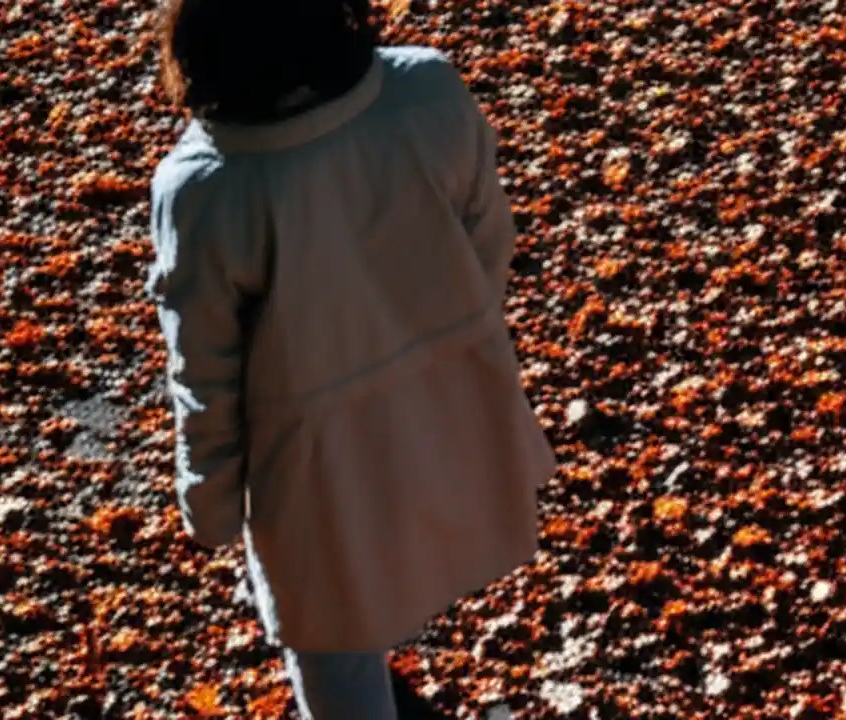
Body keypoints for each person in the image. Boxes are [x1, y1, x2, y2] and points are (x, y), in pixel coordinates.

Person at [146, 1, 557, 717]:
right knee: (400, 560)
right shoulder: (427, 93)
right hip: (446, 405)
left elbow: (206, 374)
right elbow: (487, 241)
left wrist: (209, 498)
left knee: (333, 644)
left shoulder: (204, 189)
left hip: (312, 468)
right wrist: (453, 344)